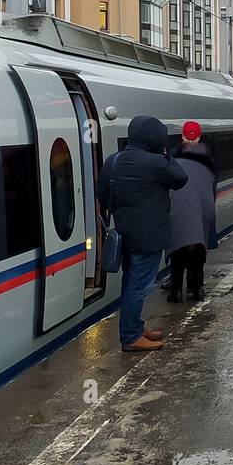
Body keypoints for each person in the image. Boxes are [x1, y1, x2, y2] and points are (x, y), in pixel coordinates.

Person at [97, 115, 188, 353]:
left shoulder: (113, 161)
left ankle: (135, 327)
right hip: (148, 236)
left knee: (130, 282)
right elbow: (180, 179)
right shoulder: (156, 163)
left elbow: (102, 195)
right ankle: (130, 337)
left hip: (124, 233)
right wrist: (166, 154)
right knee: (138, 287)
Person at [166, 120, 217, 303]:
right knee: (198, 253)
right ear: (199, 137)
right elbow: (211, 188)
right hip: (202, 209)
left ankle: (177, 292)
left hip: (178, 210)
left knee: (178, 251)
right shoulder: (208, 159)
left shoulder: (172, 158)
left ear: (182, 137)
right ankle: (197, 291)